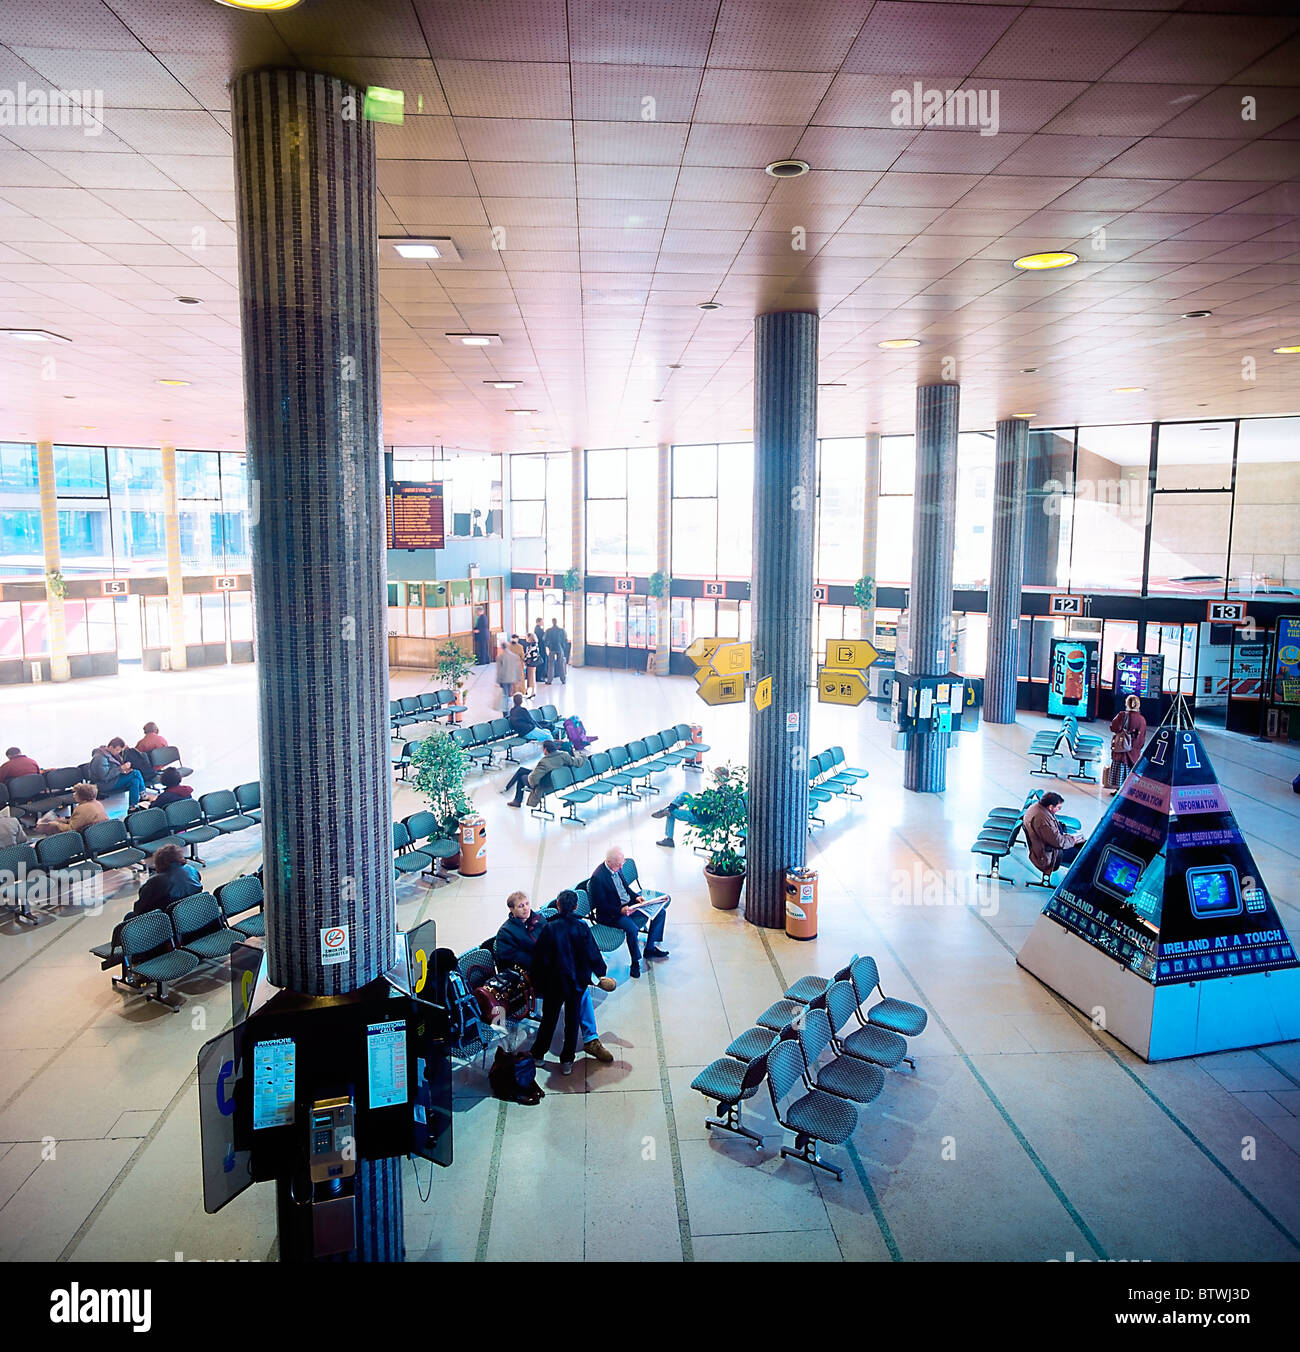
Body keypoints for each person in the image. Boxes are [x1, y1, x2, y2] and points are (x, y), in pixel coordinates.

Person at [495, 891, 615, 1063]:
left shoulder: (540, 920)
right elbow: (513, 959)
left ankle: (590, 1039)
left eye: (527, 904)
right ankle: (580, 1045)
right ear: (511, 910)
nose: (526, 909)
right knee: (577, 992)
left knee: (578, 988)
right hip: (533, 976)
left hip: (555, 971)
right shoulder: (506, 933)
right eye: (520, 906)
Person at [528, 890, 609, 1074]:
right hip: (576, 983)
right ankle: (567, 1061)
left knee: (549, 1020)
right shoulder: (582, 926)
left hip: (554, 984)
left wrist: (538, 984)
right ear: (576, 906)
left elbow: (540, 959)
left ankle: (538, 1055)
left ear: (557, 905)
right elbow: (592, 952)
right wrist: (600, 972)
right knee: (572, 1022)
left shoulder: (549, 928)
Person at [588, 847, 669, 979]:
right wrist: (620, 910)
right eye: (618, 864)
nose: (621, 867)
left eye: (622, 863)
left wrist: (636, 897)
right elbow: (601, 905)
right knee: (632, 929)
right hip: (613, 913)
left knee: (660, 912)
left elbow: (625, 887)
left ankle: (650, 948)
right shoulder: (598, 877)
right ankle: (635, 962)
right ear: (609, 861)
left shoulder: (617, 867)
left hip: (629, 905)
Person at [502, 740, 584, 808]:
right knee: (521, 770)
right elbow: (577, 762)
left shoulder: (544, 761)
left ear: (546, 749)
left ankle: (517, 801)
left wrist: (533, 785)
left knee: (521, 777)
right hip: (554, 778)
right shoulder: (563, 755)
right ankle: (507, 788)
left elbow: (533, 779)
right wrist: (583, 756)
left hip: (545, 783)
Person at [1023, 792, 1087, 876]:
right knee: (1086, 854)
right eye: (1058, 807)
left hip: (1045, 846)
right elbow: (1058, 842)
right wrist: (1073, 840)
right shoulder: (1043, 820)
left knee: (1085, 844)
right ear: (1050, 807)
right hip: (1049, 855)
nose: (1059, 810)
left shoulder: (1037, 808)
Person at [132, 844, 201, 915]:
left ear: (159, 863)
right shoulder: (191, 869)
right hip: (195, 910)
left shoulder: (155, 881)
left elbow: (139, 910)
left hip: (169, 916)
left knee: (129, 916)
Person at [31, 782, 108, 836]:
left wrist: (57, 824)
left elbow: (72, 829)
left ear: (81, 795)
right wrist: (65, 820)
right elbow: (81, 821)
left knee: (51, 826)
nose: (74, 795)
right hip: (98, 833)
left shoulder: (81, 809)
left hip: (86, 837)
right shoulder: (97, 803)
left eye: (75, 793)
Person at [87, 742, 148, 808]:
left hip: (112, 780)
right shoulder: (100, 758)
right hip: (103, 784)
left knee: (135, 781)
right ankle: (143, 796)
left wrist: (123, 771)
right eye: (117, 750)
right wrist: (121, 768)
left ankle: (133, 806)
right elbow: (104, 777)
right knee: (136, 773)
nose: (118, 752)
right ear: (111, 747)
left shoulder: (109, 754)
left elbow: (113, 769)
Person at [1108, 695, 1148, 794]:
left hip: (1121, 750)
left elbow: (1114, 727)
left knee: (1120, 771)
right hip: (1134, 752)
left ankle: (1119, 790)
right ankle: (1128, 791)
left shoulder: (1122, 715)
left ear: (1127, 703)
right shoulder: (1142, 719)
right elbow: (1142, 738)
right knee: (1130, 772)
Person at [495, 641, 524, 715]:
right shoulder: (514, 656)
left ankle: (505, 712)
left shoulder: (500, 657)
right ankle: (513, 709)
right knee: (511, 694)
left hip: (504, 679)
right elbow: (517, 668)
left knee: (505, 694)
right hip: (512, 678)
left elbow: (499, 670)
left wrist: (498, 681)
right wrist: (518, 678)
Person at [545, 618, 569, 685]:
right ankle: (563, 680)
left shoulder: (548, 630)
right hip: (560, 648)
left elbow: (545, 640)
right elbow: (565, 639)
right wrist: (563, 647)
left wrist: (548, 646)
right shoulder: (561, 630)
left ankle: (549, 680)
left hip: (552, 648)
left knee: (551, 664)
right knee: (561, 664)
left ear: (552, 622)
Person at [523, 632, 539, 697]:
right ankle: (528, 691)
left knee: (531, 677)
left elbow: (529, 654)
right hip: (533, 663)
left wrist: (525, 659)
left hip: (531, 663)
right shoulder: (535, 644)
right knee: (531, 677)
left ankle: (532, 692)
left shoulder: (532, 645)